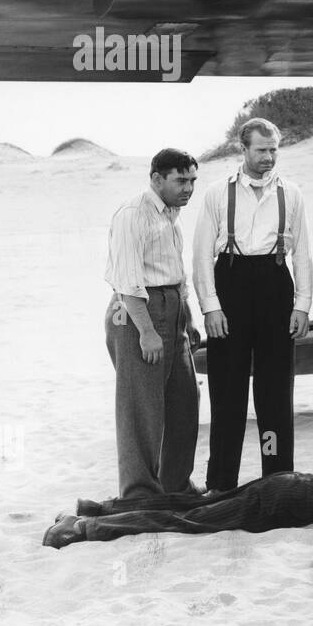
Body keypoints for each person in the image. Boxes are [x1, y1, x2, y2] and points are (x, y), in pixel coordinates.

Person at [193, 118, 313, 491]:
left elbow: (304, 253)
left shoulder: (290, 192)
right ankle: (222, 482)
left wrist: (303, 305)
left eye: (274, 149)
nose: (269, 157)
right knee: (227, 392)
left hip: (275, 284)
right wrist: (210, 307)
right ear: (242, 150)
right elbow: (200, 255)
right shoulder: (217, 193)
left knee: (275, 391)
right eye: (261, 150)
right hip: (231, 283)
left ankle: (277, 477)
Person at [41, 461, 313, 546]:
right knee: (190, 520)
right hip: (294, 500)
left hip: (297, 484)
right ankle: (86, 529)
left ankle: (96, 508)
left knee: (198, 503)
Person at [103, 149, 202, 499]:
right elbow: (128, 281)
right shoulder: (134, 214)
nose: (188, 188)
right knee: (141, 410)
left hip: (171, 309)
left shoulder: (171, 212)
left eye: (192, 180)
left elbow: (175, 272)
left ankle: (176, 485)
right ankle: (139, 493)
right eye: (180, 180)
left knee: (185, 401)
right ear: (157, 178)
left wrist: (185, 319)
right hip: (137, 313)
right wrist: (147, 332)